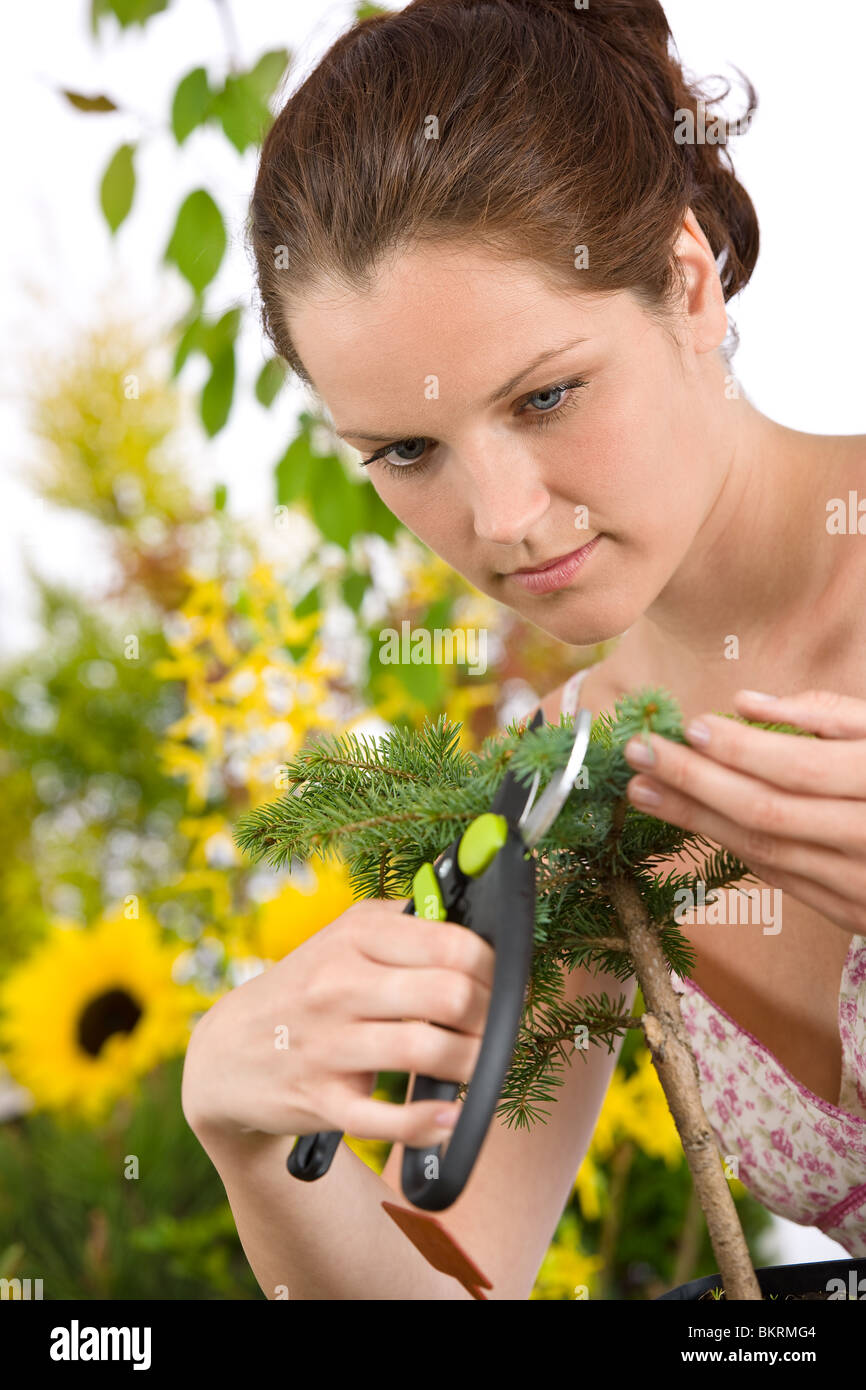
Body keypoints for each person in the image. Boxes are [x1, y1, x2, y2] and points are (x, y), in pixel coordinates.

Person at [181, 0, 866, 1298]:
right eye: (405, 451)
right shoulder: (563, 794)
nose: (497, 522)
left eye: (544, 394)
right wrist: (250, 1141)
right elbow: (444, 1294)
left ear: (687, 277)